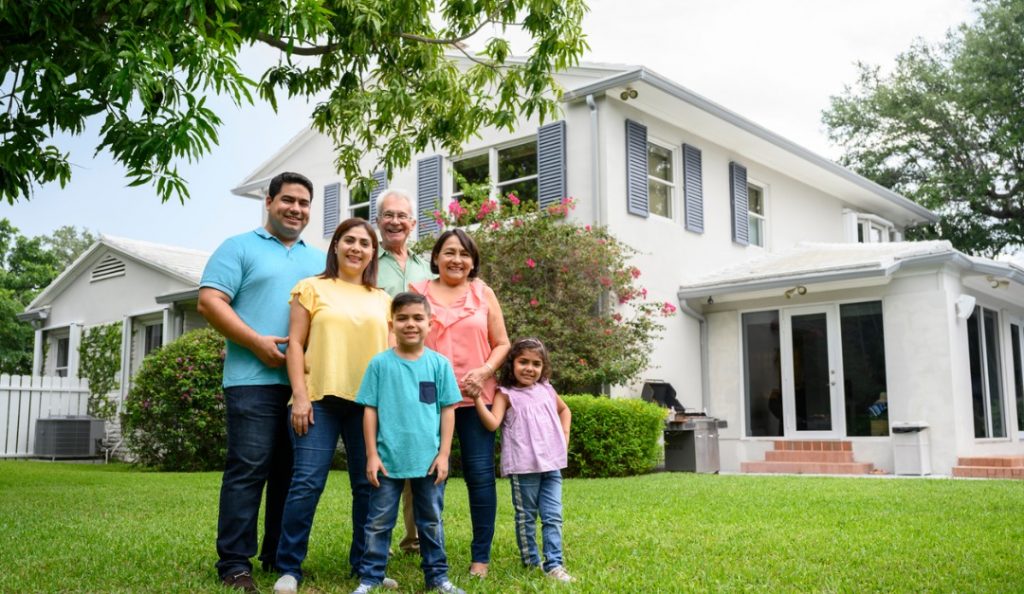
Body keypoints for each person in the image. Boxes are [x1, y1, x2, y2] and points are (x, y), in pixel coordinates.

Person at [199, 171, 326, 593]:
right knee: (248, 469)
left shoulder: (318, 260)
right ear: (269, 202)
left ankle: (276, 555)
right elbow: (209, 301)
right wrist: (255, 343)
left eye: (304, 203)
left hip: (302, 386)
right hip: (251, 380)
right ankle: (234, 563)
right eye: (288, 200)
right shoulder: (238, 247)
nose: (296, 209)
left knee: (290, 473)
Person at [271, 218, 393, 594]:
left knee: (369, 485)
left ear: (374, 252)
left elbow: (391, 356)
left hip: (368, 406)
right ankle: (289, 568)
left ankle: (365, 566)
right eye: (349, 240)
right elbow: (294, 344)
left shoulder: (383, 299)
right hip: (318, 400)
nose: (357, 248)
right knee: (306, 483)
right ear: (336, 245)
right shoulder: (310, 288)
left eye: (365, 243)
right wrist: (301, 396)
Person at [409, 228, 511, 578]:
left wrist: (484, 372)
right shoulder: (417, 292)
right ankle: (429, 552)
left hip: (475, 398)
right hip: (426, 399)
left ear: (473, 262)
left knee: (480, 477)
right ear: (435, 257)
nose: (456, 259)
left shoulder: (483, 293)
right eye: (449, 252)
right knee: (427, 476)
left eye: (464, 254)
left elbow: (502, 343)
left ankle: (480, 557)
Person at [352, 292, 465, 594]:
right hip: (388, 460)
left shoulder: (439, 365)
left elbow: (448, 410)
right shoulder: (379, 365)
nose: (410, 324)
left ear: (431, 323)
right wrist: (372, 455)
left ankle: (438, 577)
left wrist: (444, 455)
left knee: (430, 522)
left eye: (418, 318)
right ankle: (371, 578)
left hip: (429, 461)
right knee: (378, 522)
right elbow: (370, 410)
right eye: (402, 318)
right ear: (392, 324)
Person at [470, 338, 575, 583]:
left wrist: (564, 438)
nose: (530, 368)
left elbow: (565, 410)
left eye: (536, 364)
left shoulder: (547, 388)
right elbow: (493, 423)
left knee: (553, 516)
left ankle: (554, 564)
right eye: (523, 362)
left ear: (543, 367)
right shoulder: (505, 394)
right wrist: (476, 399)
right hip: (523, 467)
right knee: (526, 516)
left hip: (552, 465)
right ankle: (531, 561)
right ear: (512, 364)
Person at [375, 188, 435, 554]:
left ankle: (415, 538)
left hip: (421, 371)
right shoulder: (367, 262)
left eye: (402, 216)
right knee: (385, 452)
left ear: (413, 224)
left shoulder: (426, 268)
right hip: (383, 373)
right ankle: (375, 539)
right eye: (388, 215)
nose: (395, 221)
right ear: (378, 221)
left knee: (421, 449)